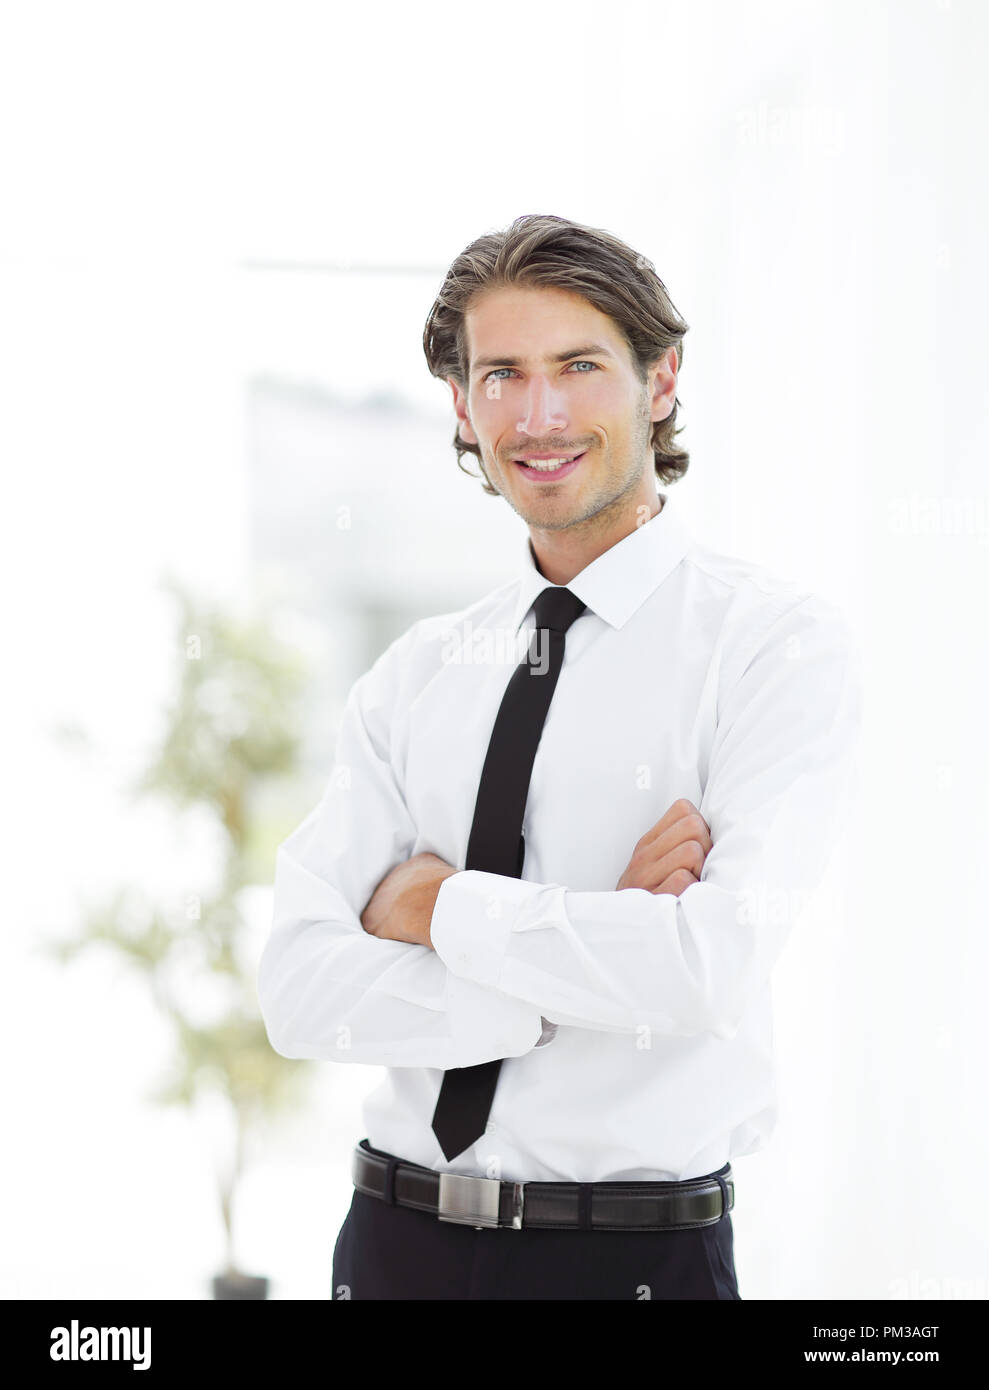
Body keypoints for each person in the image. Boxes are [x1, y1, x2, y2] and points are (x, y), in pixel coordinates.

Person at [257, 213, 862, 1300]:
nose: (537, 416)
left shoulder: (770, 645)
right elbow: (302, 991)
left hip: (629, 1260)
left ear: (659, 378)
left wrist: (439, 910)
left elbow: (700, 968)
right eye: (501, 375)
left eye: (578, 366)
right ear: (460, 403)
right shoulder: (416, 673)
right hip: (392, 1245)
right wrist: (570, 965)